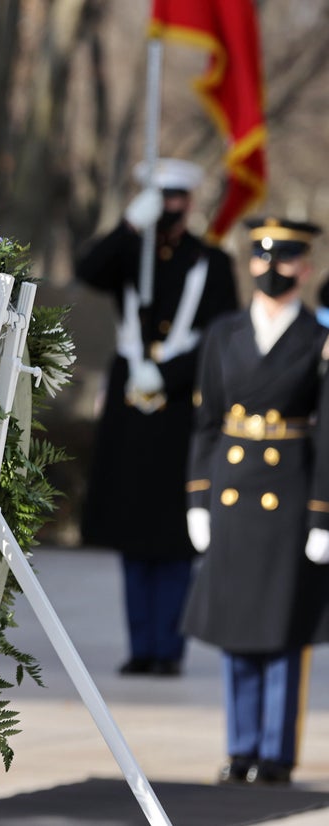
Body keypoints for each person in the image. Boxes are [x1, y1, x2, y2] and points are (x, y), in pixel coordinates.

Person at [76, 158, 238, 676]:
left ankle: (168, 648)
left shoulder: (209, 262)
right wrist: (128, 224)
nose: (168, 207)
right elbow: (87, 270)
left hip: (180, 408)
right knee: (132, 531)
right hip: (130, 410)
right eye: (159, 198)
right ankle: (141, 645)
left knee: (171, 536)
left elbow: (221, 337)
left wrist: (169, 375)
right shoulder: (130, 253)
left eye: (174, 198)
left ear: (188, 202)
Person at [183, 216, 329, 786]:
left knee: (283, 626)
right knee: (237, 623)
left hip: (289, 491)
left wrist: (323, 512)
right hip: (231, 491)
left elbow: (327, 434)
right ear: (250, 265)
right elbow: (205, 421)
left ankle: (274, 753)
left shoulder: (318, 339)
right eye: (263, 258)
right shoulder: (223, 332)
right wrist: (197, 498)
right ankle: (239, 747)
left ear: (306, 267)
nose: (273, 269)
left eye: (286, 259)